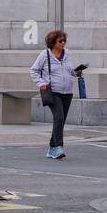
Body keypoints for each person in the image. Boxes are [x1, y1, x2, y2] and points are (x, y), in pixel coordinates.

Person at [30, 30, 85, 160]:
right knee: (59, 117)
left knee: (61, 120)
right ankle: (58, 148)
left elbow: (69, 70)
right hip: (52, 91)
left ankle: (52, 148)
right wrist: (41, 83)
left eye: (64, 40)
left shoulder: (67, 54)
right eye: (60, 41)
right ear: (53, 42)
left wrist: (76, 73)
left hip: (67, 92)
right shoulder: (45, 55)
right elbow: (34, 71)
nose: (63, 43)